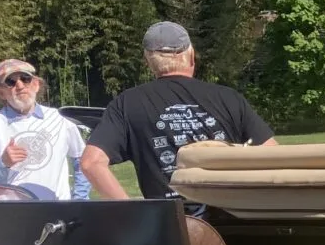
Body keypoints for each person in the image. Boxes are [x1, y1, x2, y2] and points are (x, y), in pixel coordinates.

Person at [82, 22, 275, 201]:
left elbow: (91, 163)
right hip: (230, 220)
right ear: (191, 55)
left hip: (169, 227)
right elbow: (272, 154)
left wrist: (134, 213)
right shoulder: (228, 97)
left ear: (148, 61)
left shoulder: (128, 103)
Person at [0, 59, 89, 201]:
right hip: (9, 216)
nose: (20, 86)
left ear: (36, 84)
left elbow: (83, 161)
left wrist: (79, 199)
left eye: (25, 79)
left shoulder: (61, 119)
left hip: (56, 213)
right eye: (11, 82)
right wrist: (3, 163)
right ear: (0, 92)